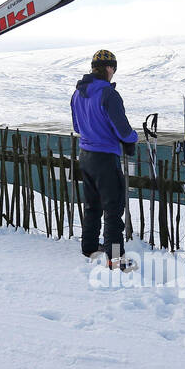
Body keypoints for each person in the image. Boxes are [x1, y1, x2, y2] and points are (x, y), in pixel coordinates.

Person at [70, 49, 138, 270]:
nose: (113, 73)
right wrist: (132, 139)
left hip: (85, 156)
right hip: (106, 158)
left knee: (92, 205)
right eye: (114, 69)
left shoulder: (77, 94)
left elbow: (77, 127)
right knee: (113, 209)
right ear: (109, 68)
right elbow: (124, 130)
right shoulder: (108, 94)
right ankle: (116, 259)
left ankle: (89, 247)